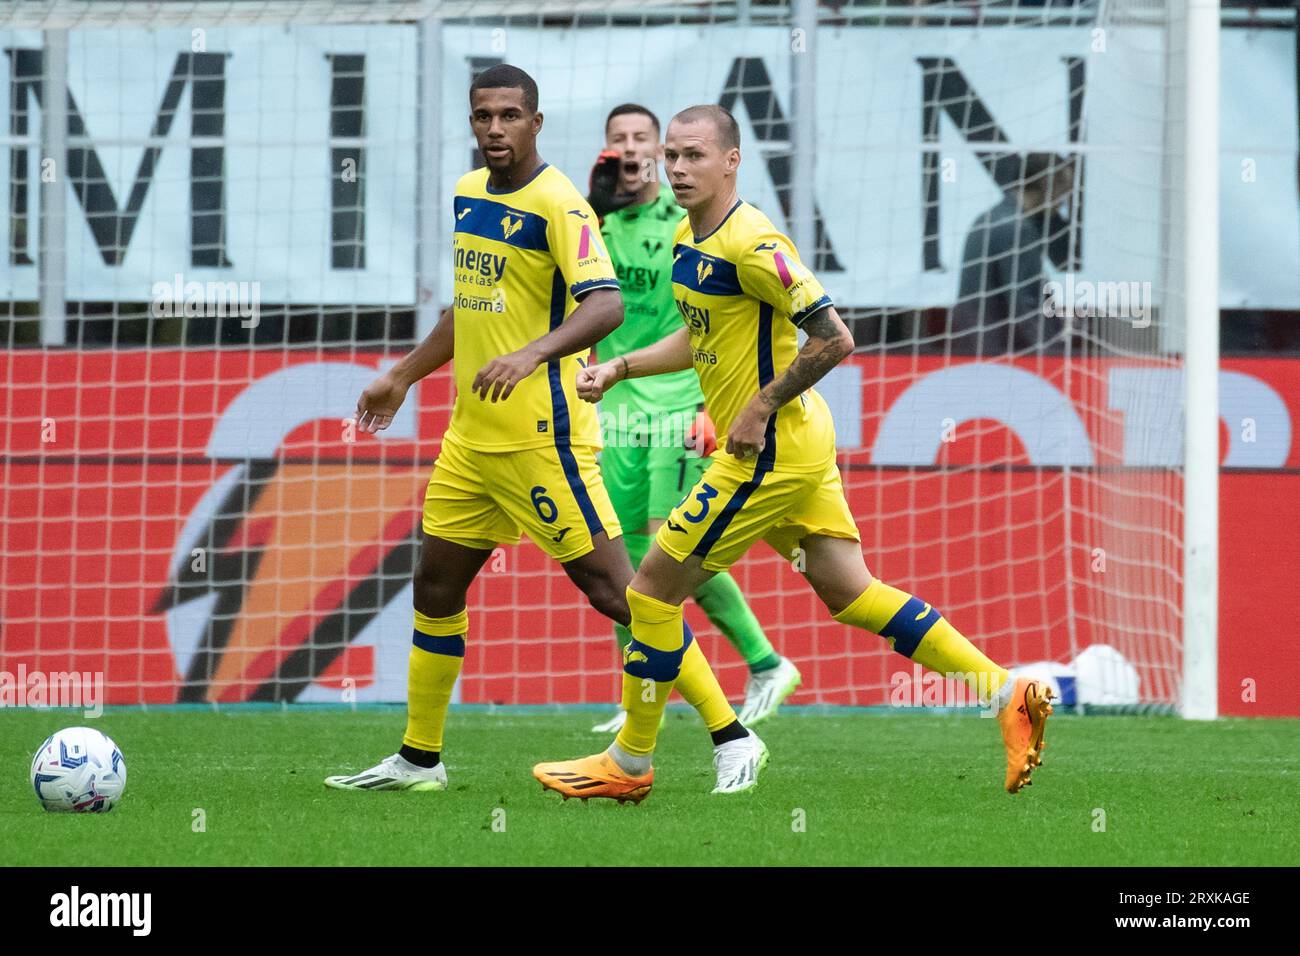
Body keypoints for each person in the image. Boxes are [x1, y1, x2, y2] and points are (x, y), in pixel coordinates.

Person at [533, 105, 1053, 803]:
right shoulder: (693, 235)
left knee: (649, 590)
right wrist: (622, 369)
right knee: (852, 592)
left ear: (731, 161)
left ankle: (630, 763)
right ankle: (1006, 693)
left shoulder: (754, 241)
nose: (677, 169)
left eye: (692, 156)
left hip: (769, 452)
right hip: (795, 448)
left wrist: (758, 405)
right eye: (673, 157)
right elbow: (702, 335)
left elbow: (835, 337)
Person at [324, 67, 764, 797]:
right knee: (435, 587)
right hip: (472, 440)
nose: (494, 129)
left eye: (509, 116)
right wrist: (402, 375)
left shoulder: (560, 204)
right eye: (483, 116)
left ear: (535, 122)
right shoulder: (468, 195)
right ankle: (419, 758)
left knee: (623, 595)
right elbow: (470, 310)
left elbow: (606, 305)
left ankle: (730, 734)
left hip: (543, 439)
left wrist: (533, 352)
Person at [585, 102, 800, 734]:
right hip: (619, 403)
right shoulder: (598, 221)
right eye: (617, 137)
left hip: (682, 399)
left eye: (643, 140)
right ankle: (640, 693)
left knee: (667, 547)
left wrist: (711, 402)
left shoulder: (687, 218)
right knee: (621, 558)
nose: (630, 148)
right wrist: (594, 210)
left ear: (659, 150)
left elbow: (712, 318)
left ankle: (764, 662)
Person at [949, 153, 1076, 356]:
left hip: (976, 344)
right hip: (998, 350)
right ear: (1046, 184)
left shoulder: (991, 217)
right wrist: (1055, 353)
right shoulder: (1018, 228)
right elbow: (1026, 302)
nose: (1061, 204)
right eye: (1062, 193)